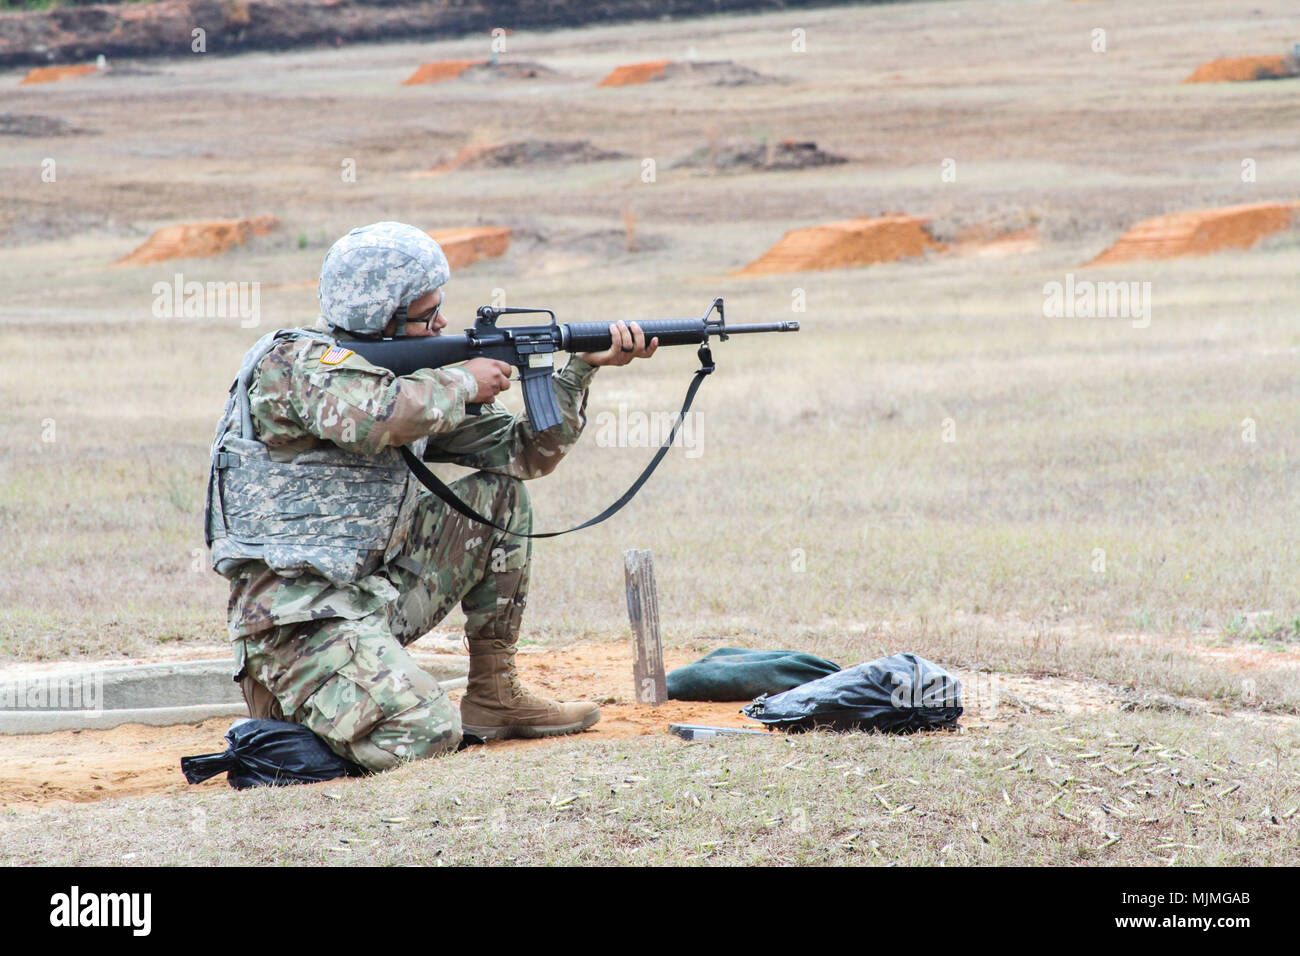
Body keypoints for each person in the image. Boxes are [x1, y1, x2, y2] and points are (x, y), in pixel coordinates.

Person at [204, 221, 657, 771]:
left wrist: (578, 372)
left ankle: (495, 693)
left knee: (499, 499)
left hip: (372, 598)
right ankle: (282, 738)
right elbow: (376, 417)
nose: (442, 324)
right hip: (296, 623)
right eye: (426, 315)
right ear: (380, 315)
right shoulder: (294, 366)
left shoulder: (418, 382)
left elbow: (524, 453)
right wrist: (464, 381)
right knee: (428, 732)